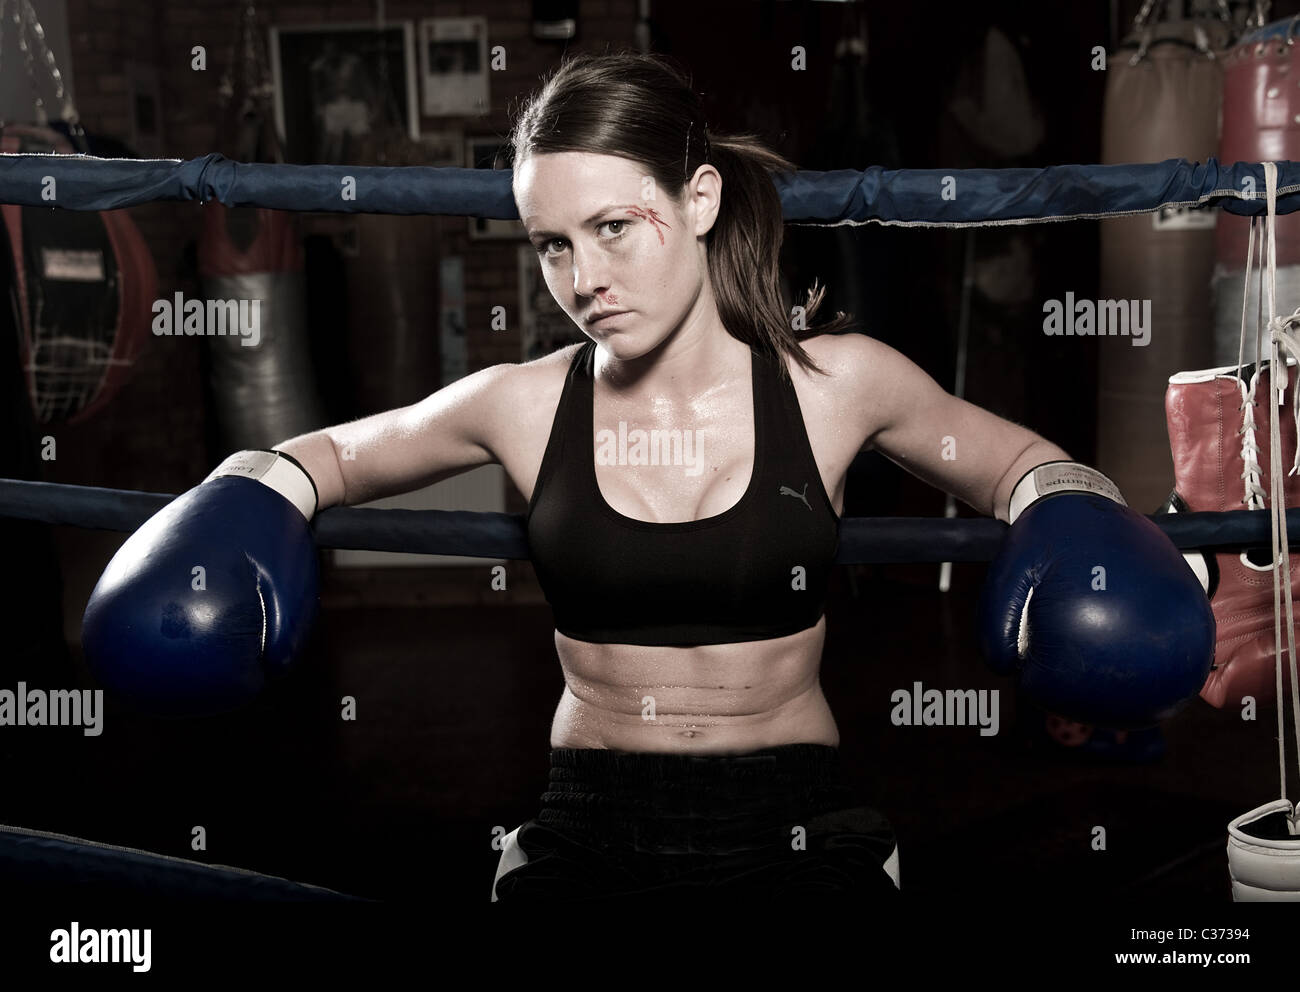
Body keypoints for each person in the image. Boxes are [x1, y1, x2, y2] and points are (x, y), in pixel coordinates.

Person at [81, 51, 1214, 907]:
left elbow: (1014, 457)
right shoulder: (520, 401)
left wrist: (1068, 501)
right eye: (552, 242)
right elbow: (329, 453)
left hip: (793, 814)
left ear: (702, 202)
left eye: (615, 226)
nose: (583, 275)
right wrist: (254, 487)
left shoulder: (836, 385)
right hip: (587, 816)